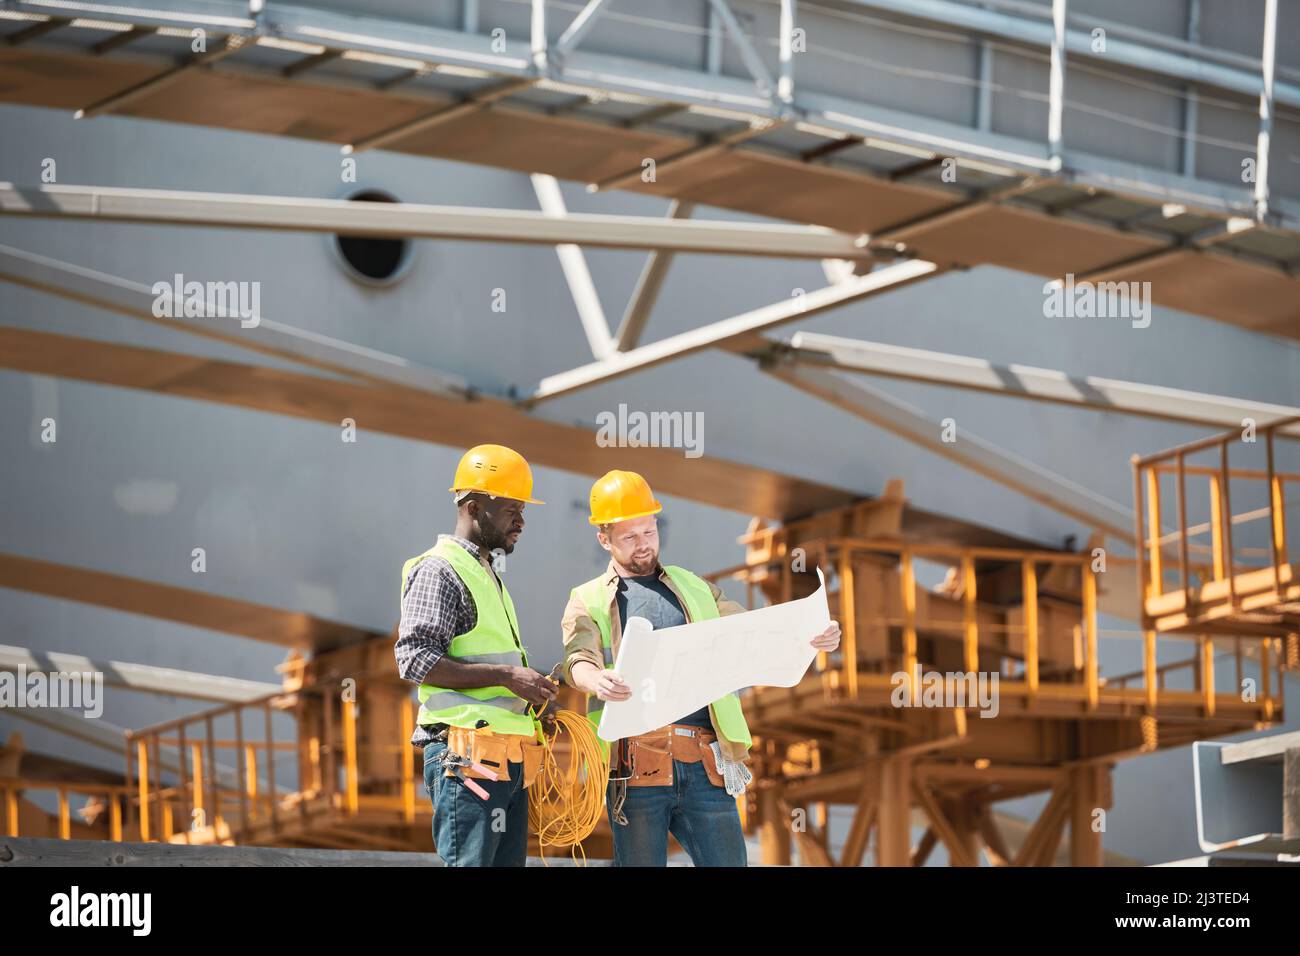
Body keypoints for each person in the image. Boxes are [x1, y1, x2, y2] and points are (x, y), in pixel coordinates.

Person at [561, 469, 840, 866]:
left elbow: (753, 631)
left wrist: (810, 636)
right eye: (630, 537)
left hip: (705, 765)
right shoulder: (586, 599)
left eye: (649, 531)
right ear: (604, 539)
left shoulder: (694, 587)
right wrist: (597, 680)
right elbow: (578, 657)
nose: (644, 545)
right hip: (636, 769)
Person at [395, 443, 556, 866]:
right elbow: (414, 659)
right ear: (473, 507)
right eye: (511, 509)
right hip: (466, 759)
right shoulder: (440, 569)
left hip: (504, 758)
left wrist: (527, 698)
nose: (521, 521)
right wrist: (506, 676)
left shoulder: (488, 572)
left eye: (524, 510)